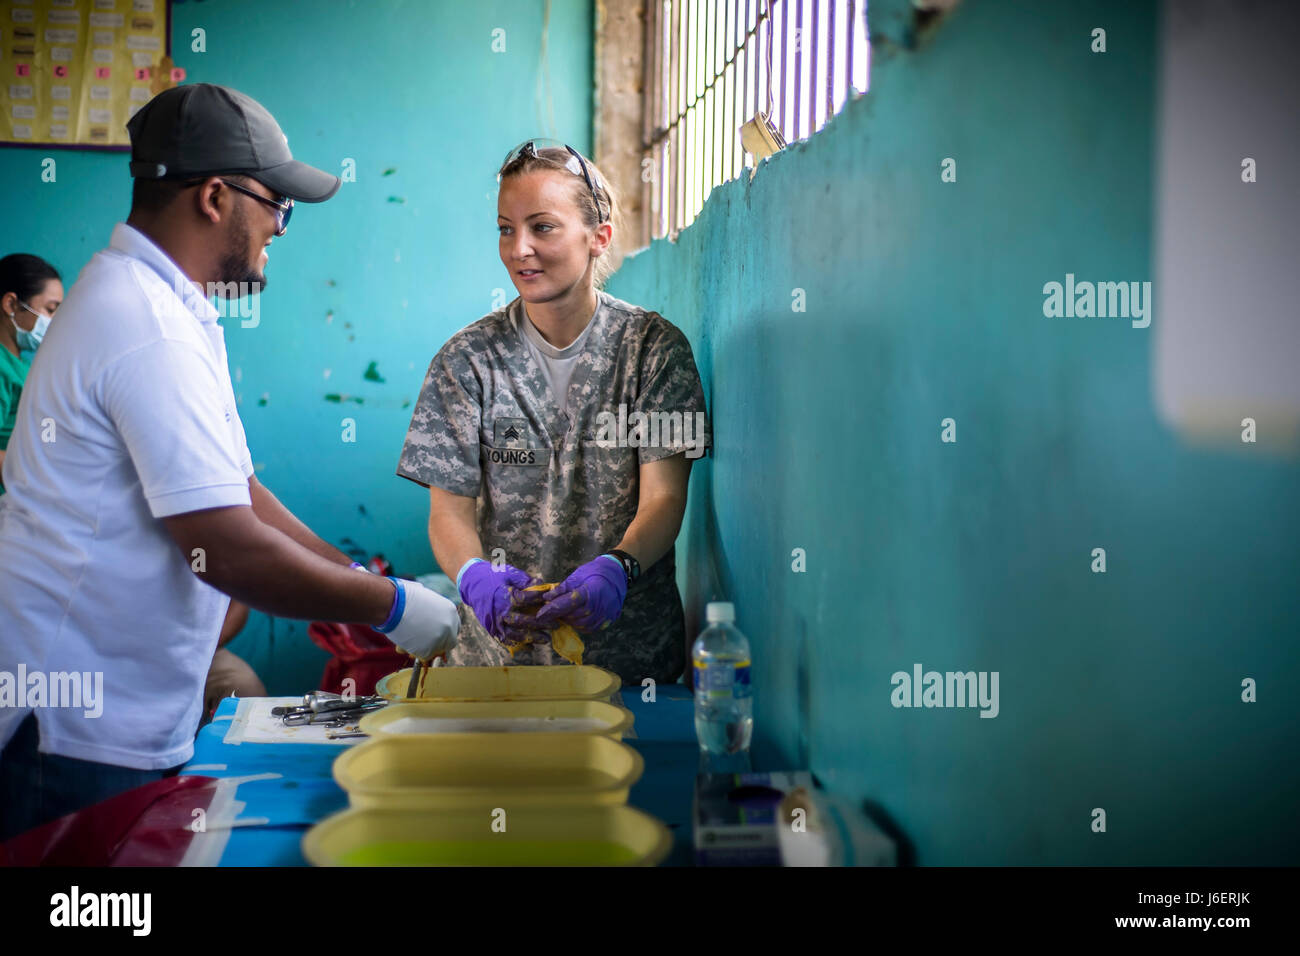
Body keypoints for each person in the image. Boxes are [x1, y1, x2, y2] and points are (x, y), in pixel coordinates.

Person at [0, 84, 458, 841]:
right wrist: (394, 612)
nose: (281, 225)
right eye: (276, 203)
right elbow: (225, 547)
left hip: (111, 712)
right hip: (71, 730)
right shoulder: (146, 325)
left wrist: (375, 586)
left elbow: (239, 492)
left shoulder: (167, 308)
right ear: (215, 196)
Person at [397, 140, 711, 686]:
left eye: (542, 227)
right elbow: (448, 513)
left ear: (599, 238)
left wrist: (619, 566)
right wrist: (474, 576)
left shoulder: (653, 350)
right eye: (505, 228)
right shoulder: (466, 361)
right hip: (497, 668)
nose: (519, 249)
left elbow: (666, 497)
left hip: (630, 669)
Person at [0, 254, 62, 493]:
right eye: (50, 309)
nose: (55, 321)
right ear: (11, 305)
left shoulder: (21, 366)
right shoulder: (3, 369)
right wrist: (33, 472)